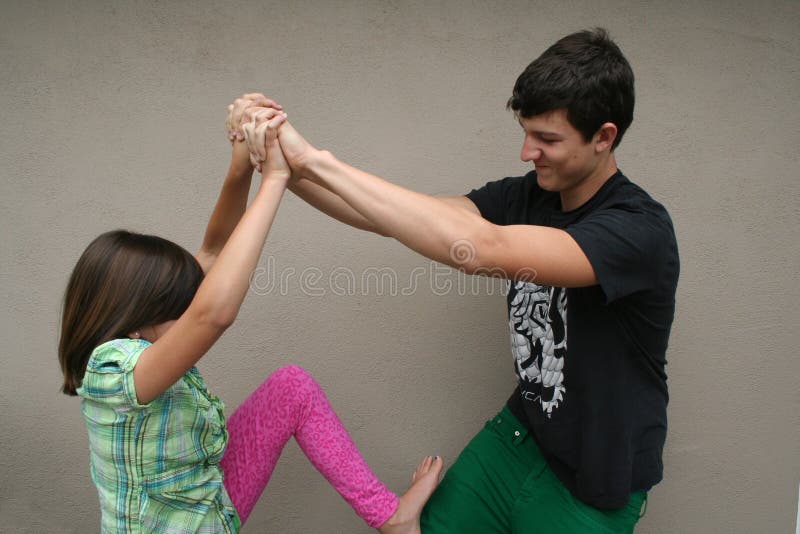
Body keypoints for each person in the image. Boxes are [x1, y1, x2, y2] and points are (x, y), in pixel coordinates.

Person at [236, 27, 679, 533]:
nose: (527, 152)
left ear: (604, 137)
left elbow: (479, 249)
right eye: (526, 132)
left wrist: (316, 159)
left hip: (597, 482)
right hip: (519, 437)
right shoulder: (526, 197)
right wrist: (282, 164)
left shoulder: (639, 229)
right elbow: (387, 217)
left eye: (547, 139)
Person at [58, 97, 443, 533]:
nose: (189, 305)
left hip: (208, 507)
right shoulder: (112, 370)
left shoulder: (143, 339)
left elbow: (216, 251)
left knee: (290, 388)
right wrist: (275, 179)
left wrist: (243, 158)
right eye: (175, 304)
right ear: (134, 318)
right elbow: (212, 314)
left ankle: (392, 519)